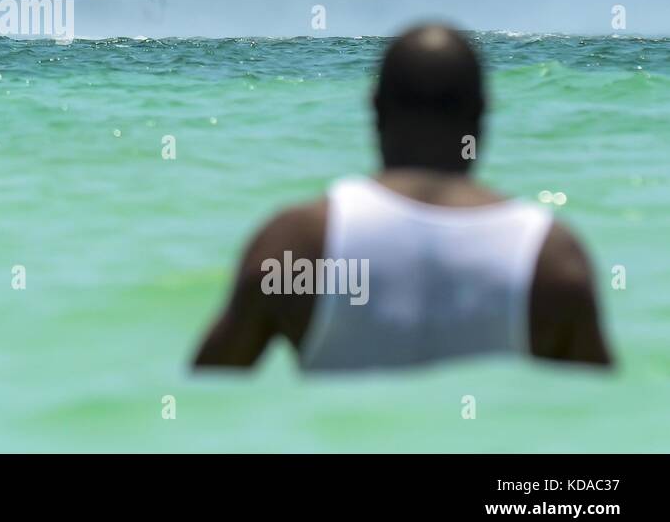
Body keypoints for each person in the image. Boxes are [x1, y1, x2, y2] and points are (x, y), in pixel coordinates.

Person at [193, 24, 612, 372]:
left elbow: (203, 400)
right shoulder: (552, 260)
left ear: (375, 109)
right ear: (481, 113)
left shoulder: (298, 243)